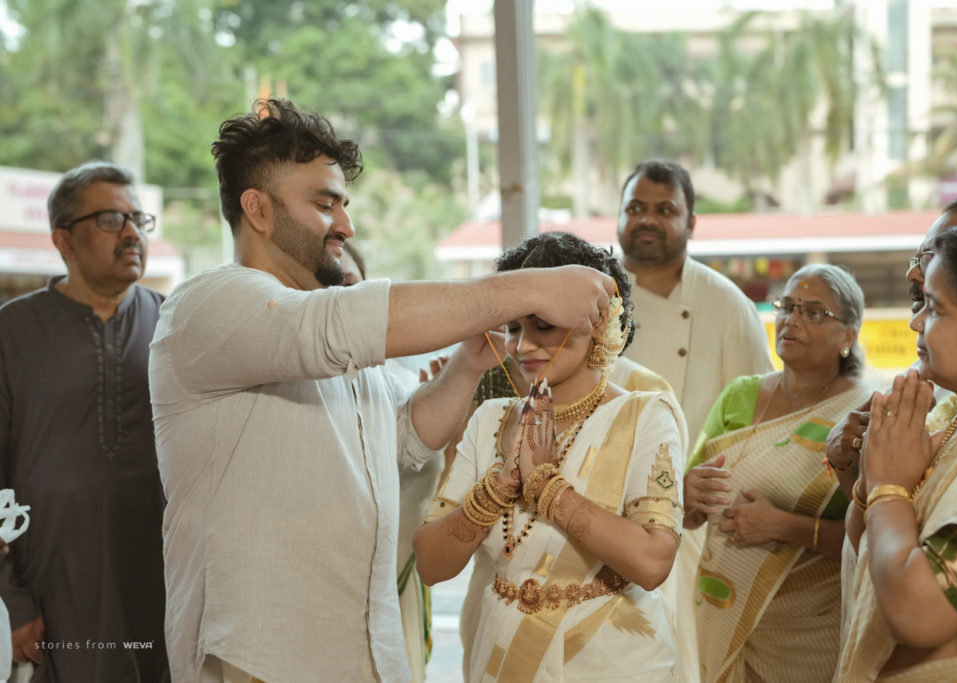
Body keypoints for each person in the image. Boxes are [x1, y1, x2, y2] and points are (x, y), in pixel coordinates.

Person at [150, 99, 615, 683]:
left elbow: (400, 441)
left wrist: (466, 369)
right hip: (261, 652)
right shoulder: (210, 304)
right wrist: (527, 289)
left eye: (344, 204)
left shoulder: (327, 329)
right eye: (324, 204)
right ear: (258, 209)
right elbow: (335, 326)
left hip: (364, 647)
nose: (345, 225)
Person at [414, 231, 687, 681]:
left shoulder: (644, 415)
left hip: (613, 661)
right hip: (501, 657)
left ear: (598, 321)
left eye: (544, 327)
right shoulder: (492, 419)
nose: (522, 347)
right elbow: (430, 563)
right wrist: (500, 487)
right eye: (514, 328)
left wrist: (545, 486)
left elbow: (652, 561)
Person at [0, 161, 170, 681]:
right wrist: (13, 598)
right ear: (63, 240)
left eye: (139, 220)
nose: (132, 234)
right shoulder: (11, 331)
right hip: (52, 590)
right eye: (111, 220)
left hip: (158, 583)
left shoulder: (174, 326)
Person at [836, 218, 957, 680]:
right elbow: (872, 551)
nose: (915, 321)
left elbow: (919, 612)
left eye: (936, 309)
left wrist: (889, 486)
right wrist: (876, 479)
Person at [617, 159, 774, 680]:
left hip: (695, 530)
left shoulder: (727, 305)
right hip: (602, 516)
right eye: (636, 207)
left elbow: (761, 421)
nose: (648, 219)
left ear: (690, 223)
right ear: (618, 217)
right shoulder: (594, 298)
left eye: (665, 210)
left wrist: (698, 490)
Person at [684, 264, 873, 682]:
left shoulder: (864, 414)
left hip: (813, 630)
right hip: (722, 612)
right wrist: (687, 491)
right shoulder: (740, 395)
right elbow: (687, 510)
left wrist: (783, 526)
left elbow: (876, 536)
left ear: (849, 335)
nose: (791, 319)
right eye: (786, 306)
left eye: (814, 312)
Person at [825, 195, 957, 495]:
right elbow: (875, 529)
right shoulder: (928, 382)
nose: (913, 273)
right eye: (918, 258)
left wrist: (886, 486)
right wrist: (853, 468)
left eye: (939, 254)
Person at [340, 240, 437, 682]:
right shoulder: (284, 394)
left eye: (353, 289)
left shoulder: (399, 385)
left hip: (400, 584)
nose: (345, 308)